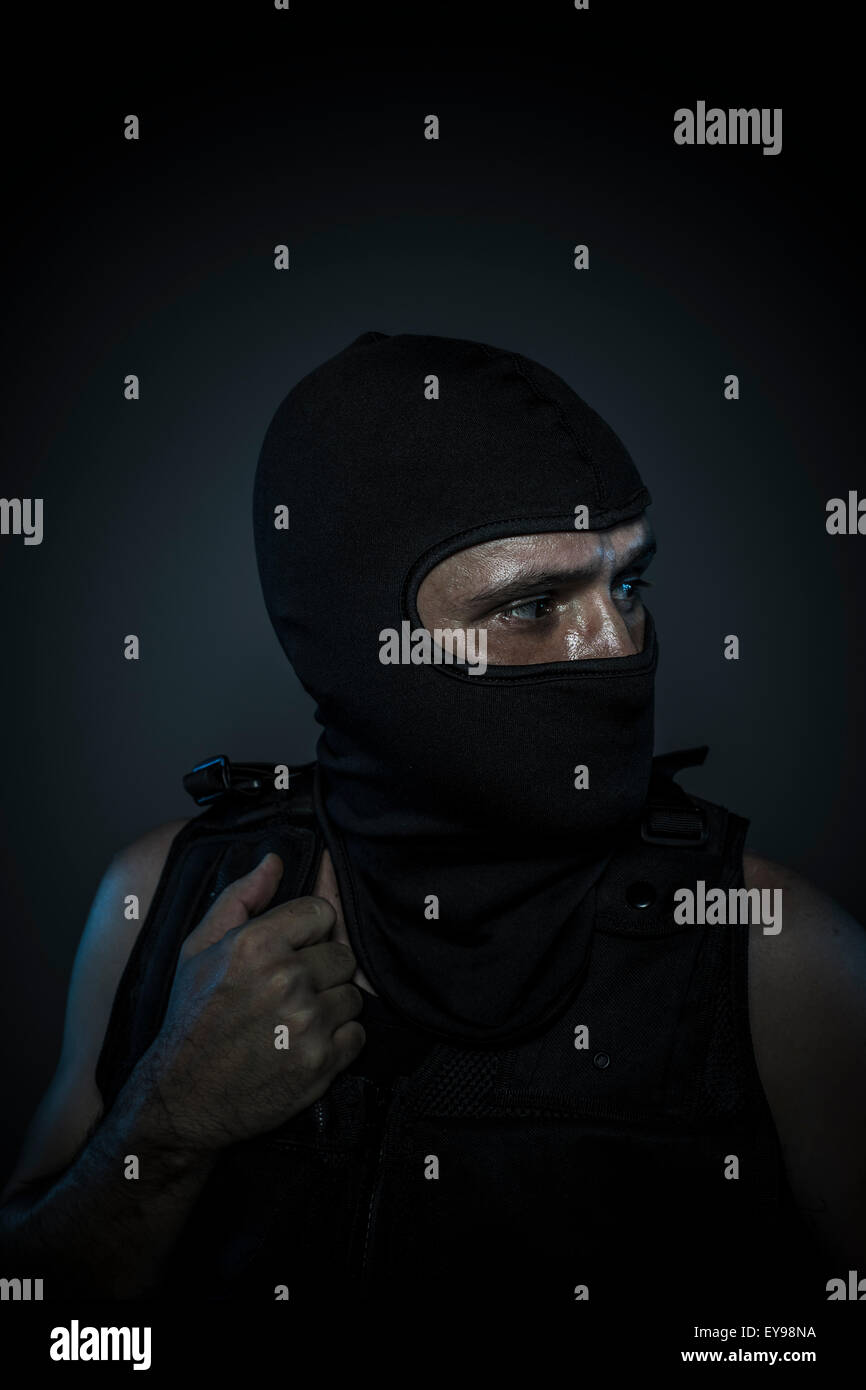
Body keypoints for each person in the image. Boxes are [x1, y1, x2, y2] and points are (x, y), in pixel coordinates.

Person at [1, 333, 863, 1314]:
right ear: (356, 640)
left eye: (627, 583)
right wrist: (168, 1124)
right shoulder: (166, 900)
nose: (615, 647)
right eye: (533, 604)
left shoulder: (771, 951)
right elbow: (35, 1322)